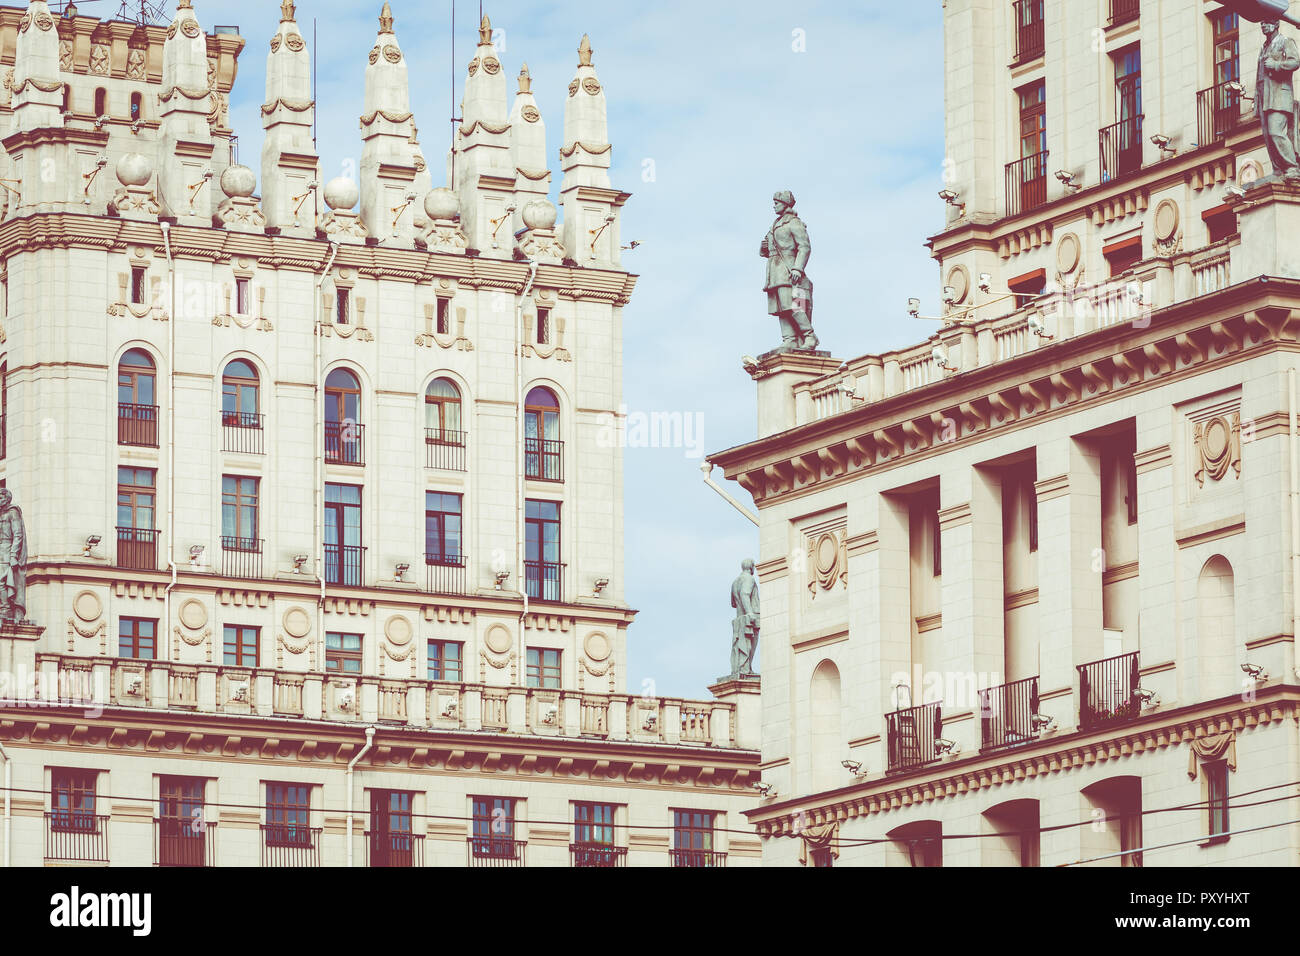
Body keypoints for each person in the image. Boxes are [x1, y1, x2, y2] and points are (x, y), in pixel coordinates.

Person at [760, 190, 819, 351]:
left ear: (785, 203)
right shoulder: (775, 224)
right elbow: (767, 249)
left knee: (794, 305)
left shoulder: (793, 222)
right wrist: (763, 247)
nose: (774, 206)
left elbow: (804, 247)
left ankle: (809, 336)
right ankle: (789, 339)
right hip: (775, 271)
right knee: (781, 307)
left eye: (777, 203)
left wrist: (798, 268)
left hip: (788, 269)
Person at [1257, 19, 1300, 181]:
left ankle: (1292, 167)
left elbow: (1295, 61)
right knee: (1268, 135)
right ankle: (1278, 169)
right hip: (1265, 97)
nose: (1263, 25)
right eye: (1261, 23)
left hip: (1280, 96)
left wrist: (1275, 65)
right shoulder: (1264, 47)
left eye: (1266, 23)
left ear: (1276, 24)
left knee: (1276, 132)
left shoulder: (1285, 41)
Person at [0, 489, 28, 625]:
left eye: (0, 497)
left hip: (7, 549)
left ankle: (6, 609)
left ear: (7, 498)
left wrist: (13, 555)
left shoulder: (13, 512)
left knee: (3, 581)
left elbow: (18, 535)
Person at [729, 559, 760, 678]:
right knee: (751, 642)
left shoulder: (735, 582)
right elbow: (744, 594)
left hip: (739, 616)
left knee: (740, 643)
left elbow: (733, 603)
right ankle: (747, 668)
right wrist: (750, 612)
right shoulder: (749, 579)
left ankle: (743, 668)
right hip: (751, 616)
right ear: (751, 567)